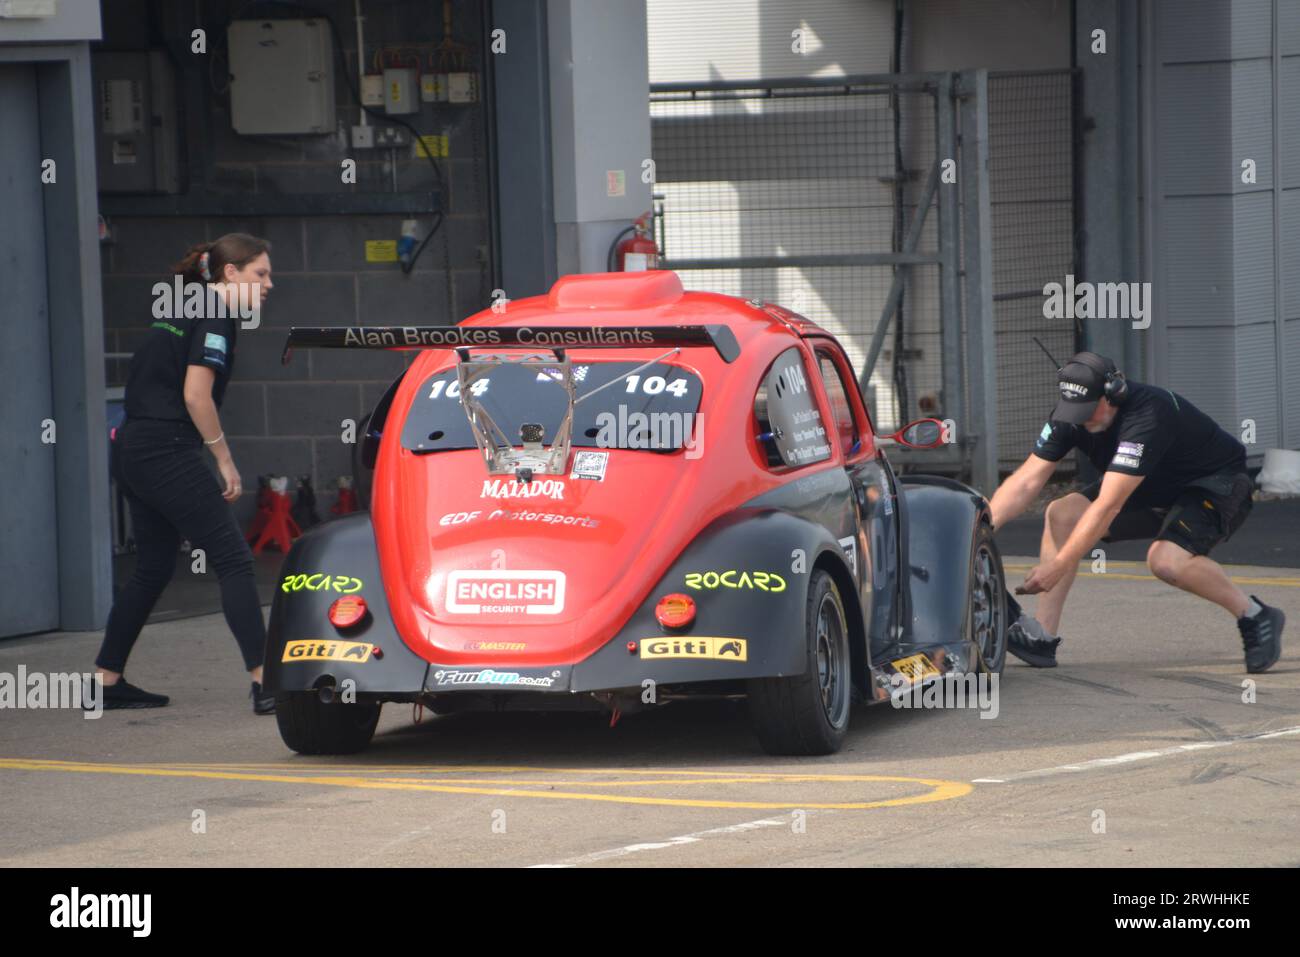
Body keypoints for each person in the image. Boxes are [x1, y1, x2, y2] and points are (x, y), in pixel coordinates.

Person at [988, 351, 1284, 673]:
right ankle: (1042, 636)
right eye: (1074, 411)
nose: (1082, 419)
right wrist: (978, 529)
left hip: (1215, 484)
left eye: (1088, 409)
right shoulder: (1069, 416)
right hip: (1150, 486)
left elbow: (1109, 505)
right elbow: (1026, 481)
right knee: (1062, 513)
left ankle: (1255, 615)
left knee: (1166, 561)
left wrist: (1059, 565)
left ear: (1114, 392)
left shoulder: (1147, 414)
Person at [94, 233, 276, 712]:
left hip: (132, 448)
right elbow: (196, 396)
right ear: (230, 274)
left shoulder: (182, 306)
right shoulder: (215, 314)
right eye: (260, 274)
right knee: (234, 560)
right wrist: (224, 459)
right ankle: (265, 682)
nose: (268, 284)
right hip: (166, 450)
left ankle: (106, 683)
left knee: (153, 567)